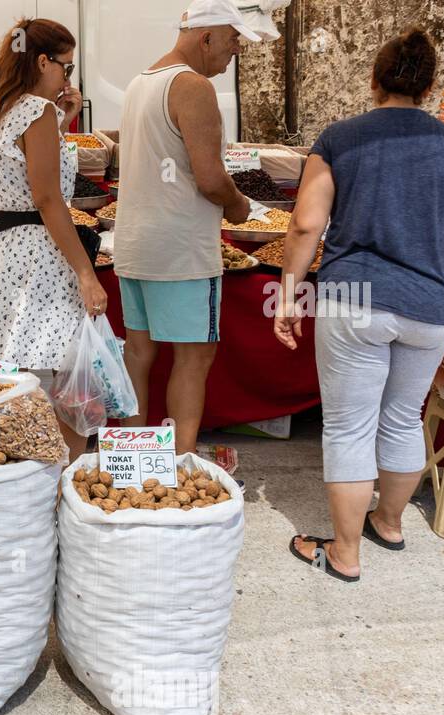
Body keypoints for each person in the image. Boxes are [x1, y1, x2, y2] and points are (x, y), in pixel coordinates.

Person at [275, 27, 444, 583]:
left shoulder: (341, 139)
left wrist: (287, 292)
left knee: (349, 427)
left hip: (354, 295)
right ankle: (390, 524)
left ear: (375, 80)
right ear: (429, 86)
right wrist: (427, 239)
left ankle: (344, 555)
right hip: (431, 299)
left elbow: (306, 224)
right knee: (402, 418)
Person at [0, 17, 108, 460]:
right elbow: (46, 198)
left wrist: (65, 119)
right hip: (35, 258)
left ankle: (7, 478)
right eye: (66, 66)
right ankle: (60, 482)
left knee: (0, 370)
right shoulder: (37, 113)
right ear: (43, 61)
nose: (68, 77)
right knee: (57, 380)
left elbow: (20, 173)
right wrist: (85, 273)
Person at [114, 0, 259, 454]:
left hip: (135, 243)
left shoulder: (140, 82)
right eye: (234, 40)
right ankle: (177, 466)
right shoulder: (193, 86)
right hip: (181, 250)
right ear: (207, 37)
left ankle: (134, 465)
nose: (235, 51)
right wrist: (239, 207)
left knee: (138, 355)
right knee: (194, 357)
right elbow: (211, 178)